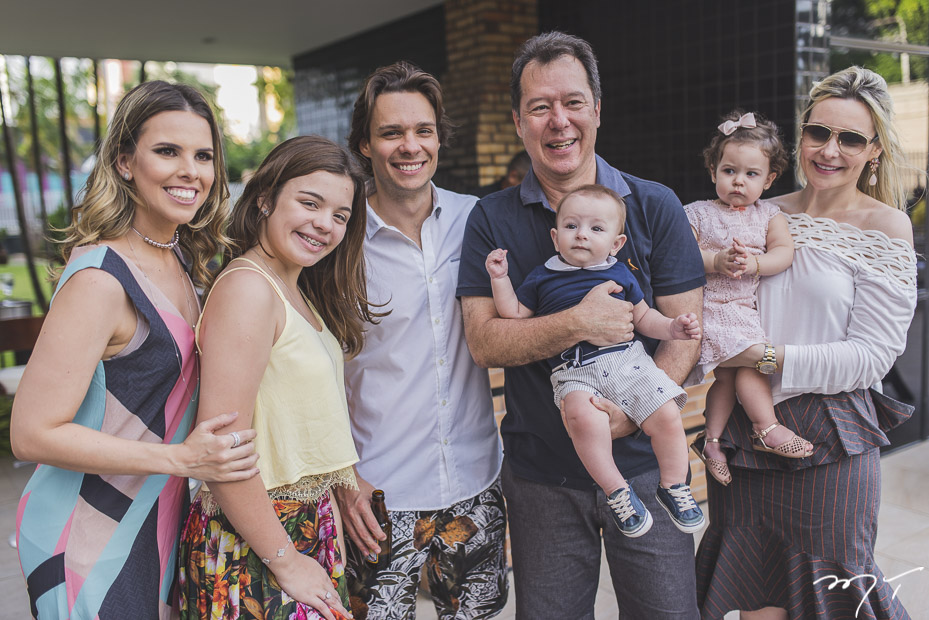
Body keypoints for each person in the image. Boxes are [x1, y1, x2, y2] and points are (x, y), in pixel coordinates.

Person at [458, 32, 705, 617]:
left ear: (596, 109)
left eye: (572, 102)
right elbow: (484, 340)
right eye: (539, 107)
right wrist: (578, 321)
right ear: (518, 122)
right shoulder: (491, 218)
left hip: (645, 466)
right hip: (542, 477)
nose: (558, 121)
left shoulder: (655, 205)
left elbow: (682, 332)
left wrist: (630, 414)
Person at [11, 81, 260, 619]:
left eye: (203, 156)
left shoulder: (186, 262)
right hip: (87, 534)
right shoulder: (101, 279)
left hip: (157, 520)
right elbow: (31, 433)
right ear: (124, 162)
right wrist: (182, 459)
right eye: (167, 151)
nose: (190, 171)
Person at [695, 66, 916, 619]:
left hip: (829, 435)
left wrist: (766, 358)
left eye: (851, 138)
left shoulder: (886, 227)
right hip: (747, 431)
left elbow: (873, 356)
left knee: (834, 598)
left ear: (875, 151)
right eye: (819, 132)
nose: (829, 150)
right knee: (755, 599)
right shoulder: (760, 210)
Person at [177, 136, 372, 620]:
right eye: (310, 203)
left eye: (341, 215)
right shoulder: (249, 289)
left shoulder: (295, 288)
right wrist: (285, 559)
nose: (325, 224)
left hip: (299, 529)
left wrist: (340, 491)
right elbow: (223, 448)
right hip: (257, 540)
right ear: (265, 198)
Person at [339, 61, 507, 618]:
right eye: (391, 132)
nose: (410, 146)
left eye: (423, 131)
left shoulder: (476, 219)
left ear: (438, 138)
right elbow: (319, 366)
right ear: (365, 144)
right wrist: (344, 476)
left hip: (476, 484)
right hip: (377, 496)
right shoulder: (339, 239)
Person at [486, 184, 703, 537]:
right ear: (555, 237)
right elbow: (514, 313)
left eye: (596, 228)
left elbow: (643, 317)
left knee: (666, 413)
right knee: (583, 418)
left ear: (616, 244)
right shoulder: (542, 276)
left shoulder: (620, 273)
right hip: (576, 370)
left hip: (627, 362)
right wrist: (500, 278)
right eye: (571, 226)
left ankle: (674, 485)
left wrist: (672, 328)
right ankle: (617, 491)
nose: (582, 234)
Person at [683, 111, 809, 488]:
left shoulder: (770, 216)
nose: (739, 180)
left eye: (751, 174)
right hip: (709, 310)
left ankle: (712, 441)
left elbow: (784, 253)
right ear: (713, 171)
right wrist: (715, 261)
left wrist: (755, 263)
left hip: (744, 312)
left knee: (731, 375)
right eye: (729, 170)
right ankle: (766, 428)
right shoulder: (697, 213)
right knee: (756, 363)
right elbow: (680, 258)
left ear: (769, 179)